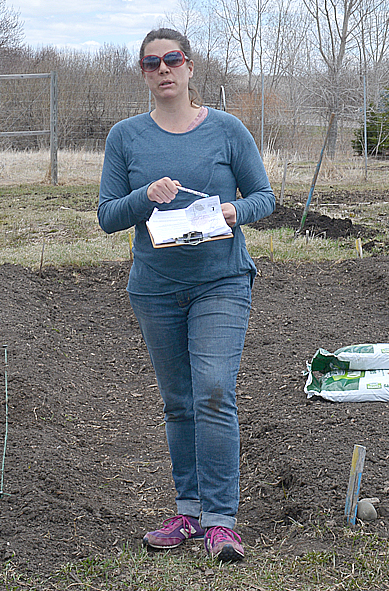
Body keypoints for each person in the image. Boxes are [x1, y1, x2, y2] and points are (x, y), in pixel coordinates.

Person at [97, 28, 275, 563]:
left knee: (214, 390)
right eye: (152, 64)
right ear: (143, 74)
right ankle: (188, 511)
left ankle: (221, 521)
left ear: (190, 67)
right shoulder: (126, 138)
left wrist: (234, 212)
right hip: (155, 289)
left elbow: (265, 197)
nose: (164, 70)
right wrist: (143, 196)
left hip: (220, 280)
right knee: (179, 403)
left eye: (172, 60)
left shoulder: (227, 130)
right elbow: (107, 215)